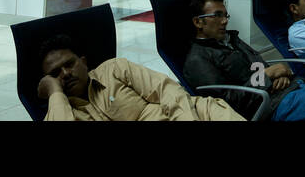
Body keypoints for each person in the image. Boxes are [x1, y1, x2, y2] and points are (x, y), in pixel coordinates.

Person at [39, 35, 242, 121]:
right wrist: (55, 93)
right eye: (55, 73)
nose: (65, 73)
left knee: (211, 108)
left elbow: (166, 89)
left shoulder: (114, 69)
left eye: (69, 64)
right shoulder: (61, 111)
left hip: (185, 115)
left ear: (83, 61)